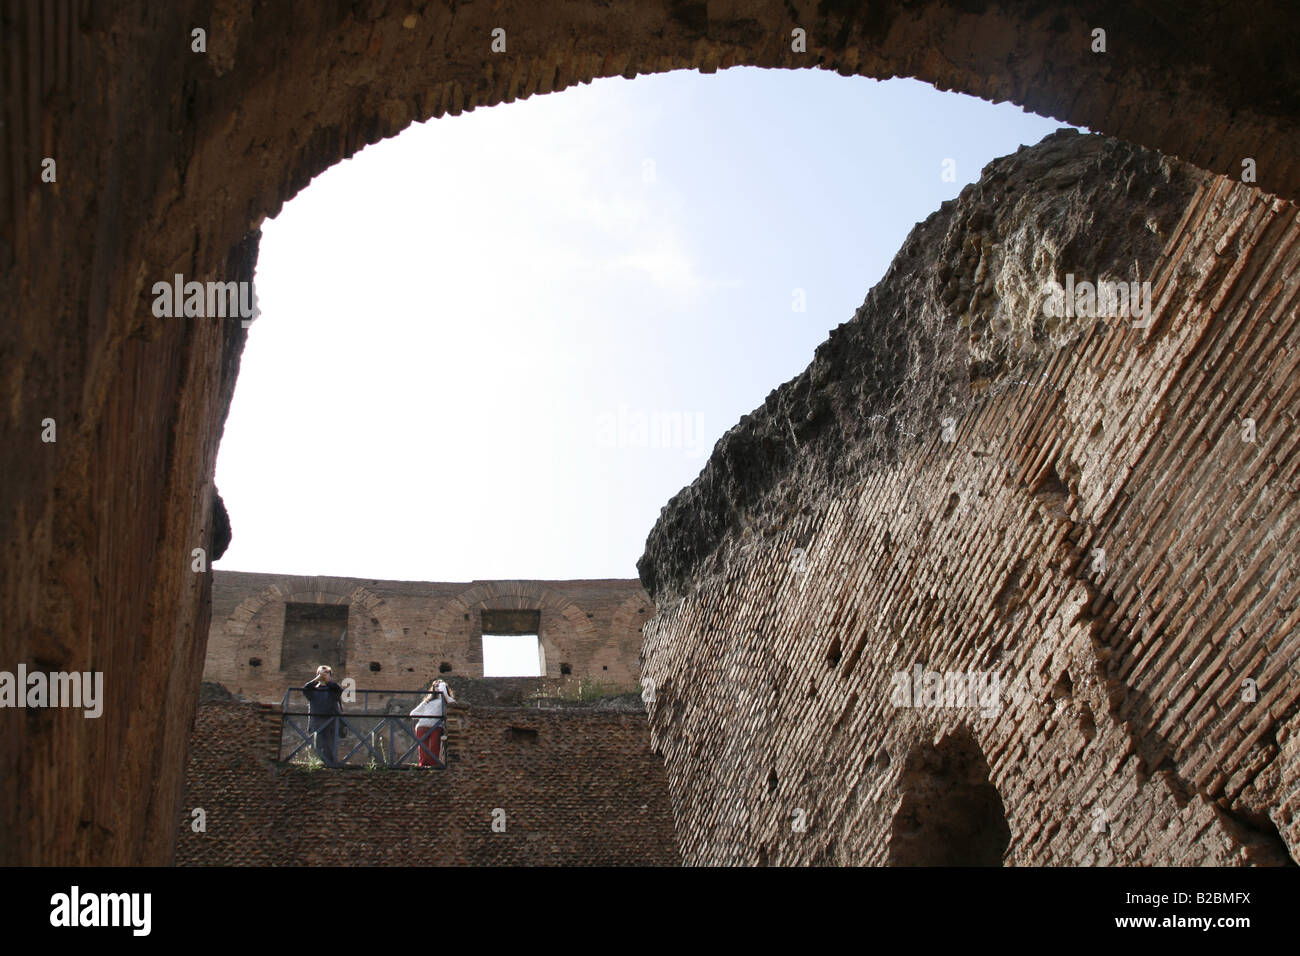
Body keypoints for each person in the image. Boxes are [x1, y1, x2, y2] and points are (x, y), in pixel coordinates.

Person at [301, 665, 344, 766]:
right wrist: (317, 679)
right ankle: (326, 766)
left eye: (326, 673)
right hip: (316, 722)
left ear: (330, 675)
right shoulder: (312, 690)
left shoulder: (333, 689)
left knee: (330, 747)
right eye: (321, 673)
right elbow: (305, 688)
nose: (323, 675)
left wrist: (328, 681)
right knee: (318, 746)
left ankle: (331, 767)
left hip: (331, 723)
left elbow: (339, 690)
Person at [409, 679, 455, 768]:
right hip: (423, 725)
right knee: (423, 748)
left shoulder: (446, 700)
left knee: (434, 747)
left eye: (440, 686)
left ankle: (433, 766)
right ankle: (423, 766)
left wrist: (443, 690)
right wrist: (426, 715)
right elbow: (413, 713)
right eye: (436, 686)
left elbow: (452, 702)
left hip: (436, 726)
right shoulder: (427, 701)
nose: (438, 688)